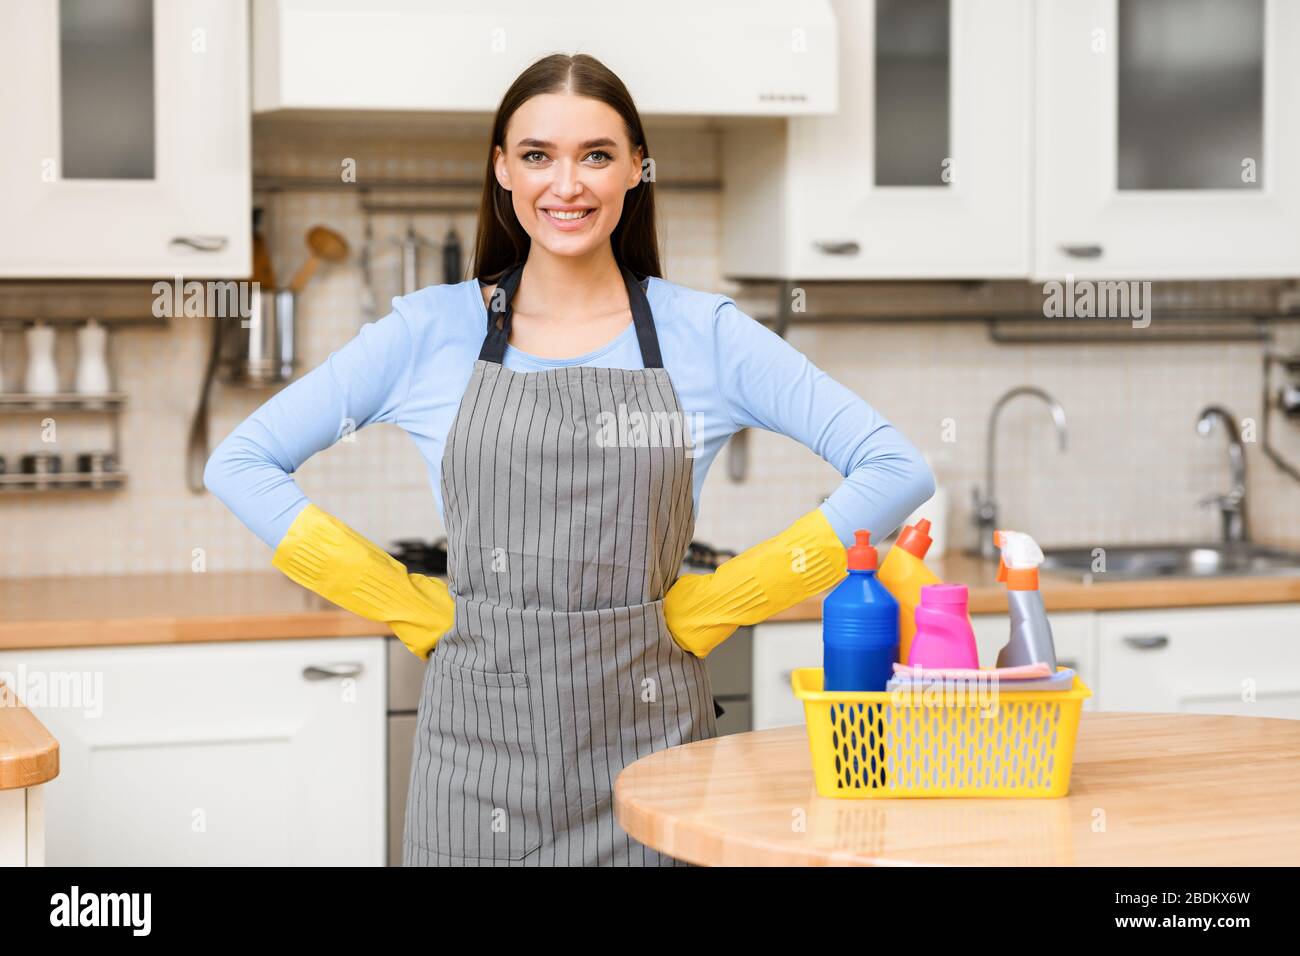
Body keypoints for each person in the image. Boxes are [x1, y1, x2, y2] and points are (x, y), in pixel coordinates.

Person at [205, 53, 934, 867]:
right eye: (538, 156)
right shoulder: (426, 332)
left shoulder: (706, 335)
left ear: (635, 170)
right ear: (502, 170)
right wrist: (400, 600)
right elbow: (241, 462)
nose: (568, 185)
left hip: (652, 759)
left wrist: (731, 598)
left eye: (596, 155)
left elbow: (894, 467)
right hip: (472, 770)